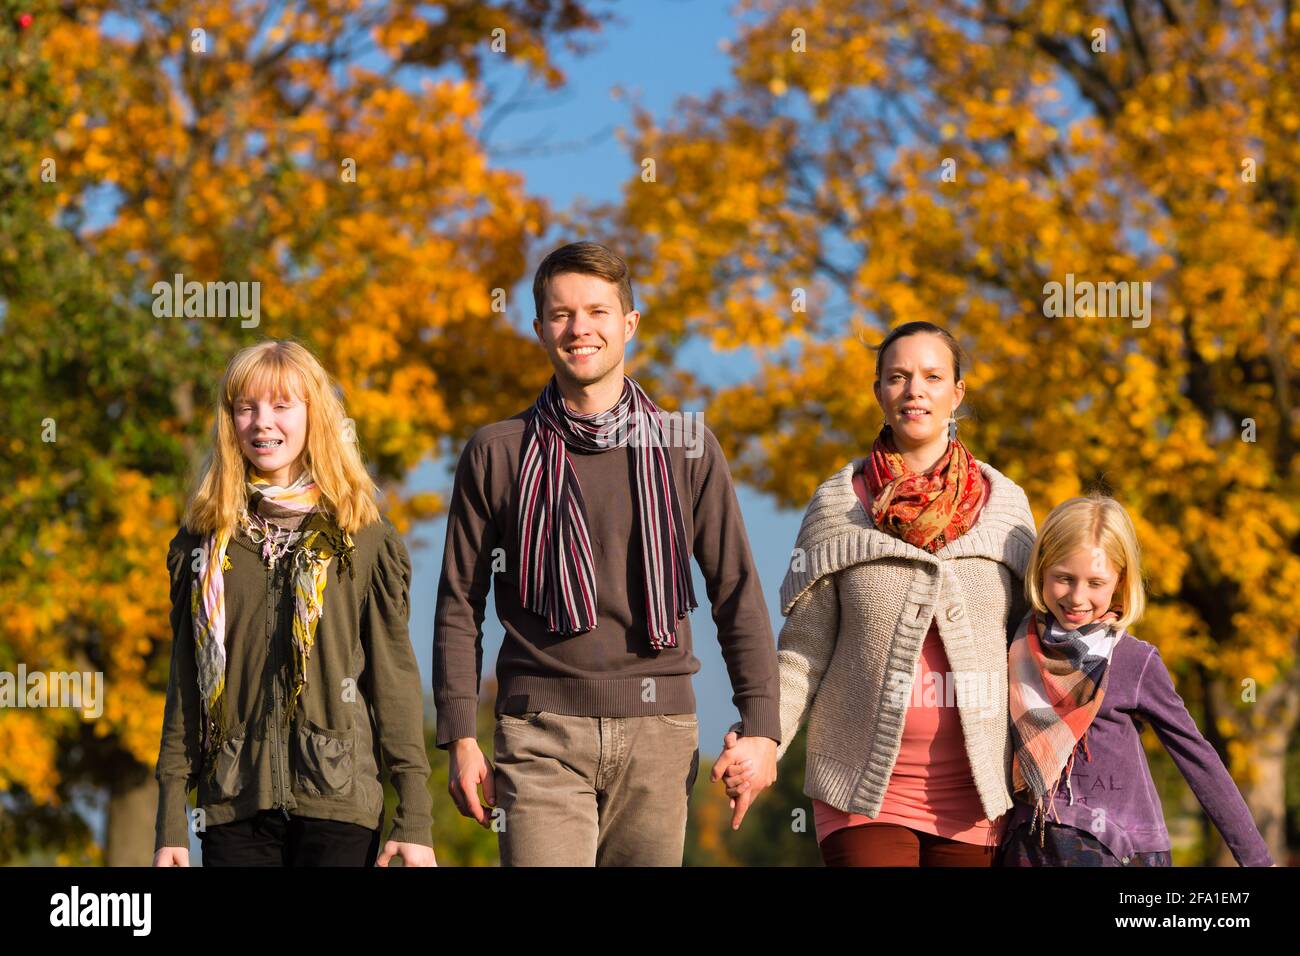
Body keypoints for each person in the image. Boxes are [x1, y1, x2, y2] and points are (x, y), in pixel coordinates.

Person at [433, 241, 780, 866]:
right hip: (539, 732)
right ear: (540, 329)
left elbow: (736, 590)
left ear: (629, 324)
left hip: (661, 730)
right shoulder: (496, 452)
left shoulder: (688, 446)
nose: (579, 329)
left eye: (597, 311)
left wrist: (761, 727)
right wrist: (459, 733)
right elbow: (460, 601)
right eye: (562, 314)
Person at [718, 321, 1035, 866]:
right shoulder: (837, 506)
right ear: (879, 392)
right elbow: (803, 653)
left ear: (956, 393)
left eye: (933, 377)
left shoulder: (1006, 508)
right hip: (860, 790)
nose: (915, 390)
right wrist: (762, 737)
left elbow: (1035, 645)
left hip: (978, 797)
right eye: (899, 377)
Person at [152, 339, 436, 867]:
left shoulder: (362, 535)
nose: (263, 422)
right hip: (233, 805)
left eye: (282, 405)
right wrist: (172, 817)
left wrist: (414, 816)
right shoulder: (202, 543)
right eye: (246, 407)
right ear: (229, 421)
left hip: (340, 805)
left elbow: (393, 680)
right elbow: (186, 684)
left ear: (314, 416)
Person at [998, 494, 1275, 867]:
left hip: (1116, 849)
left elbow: (1197, 757)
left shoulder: (1133, 660)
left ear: (1120, 581)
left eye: (1096, 582)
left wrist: (1257, 860)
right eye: (1064, 578)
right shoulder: (1016, 644)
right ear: (1041, 570)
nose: (1077, 597)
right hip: (1030, 845)